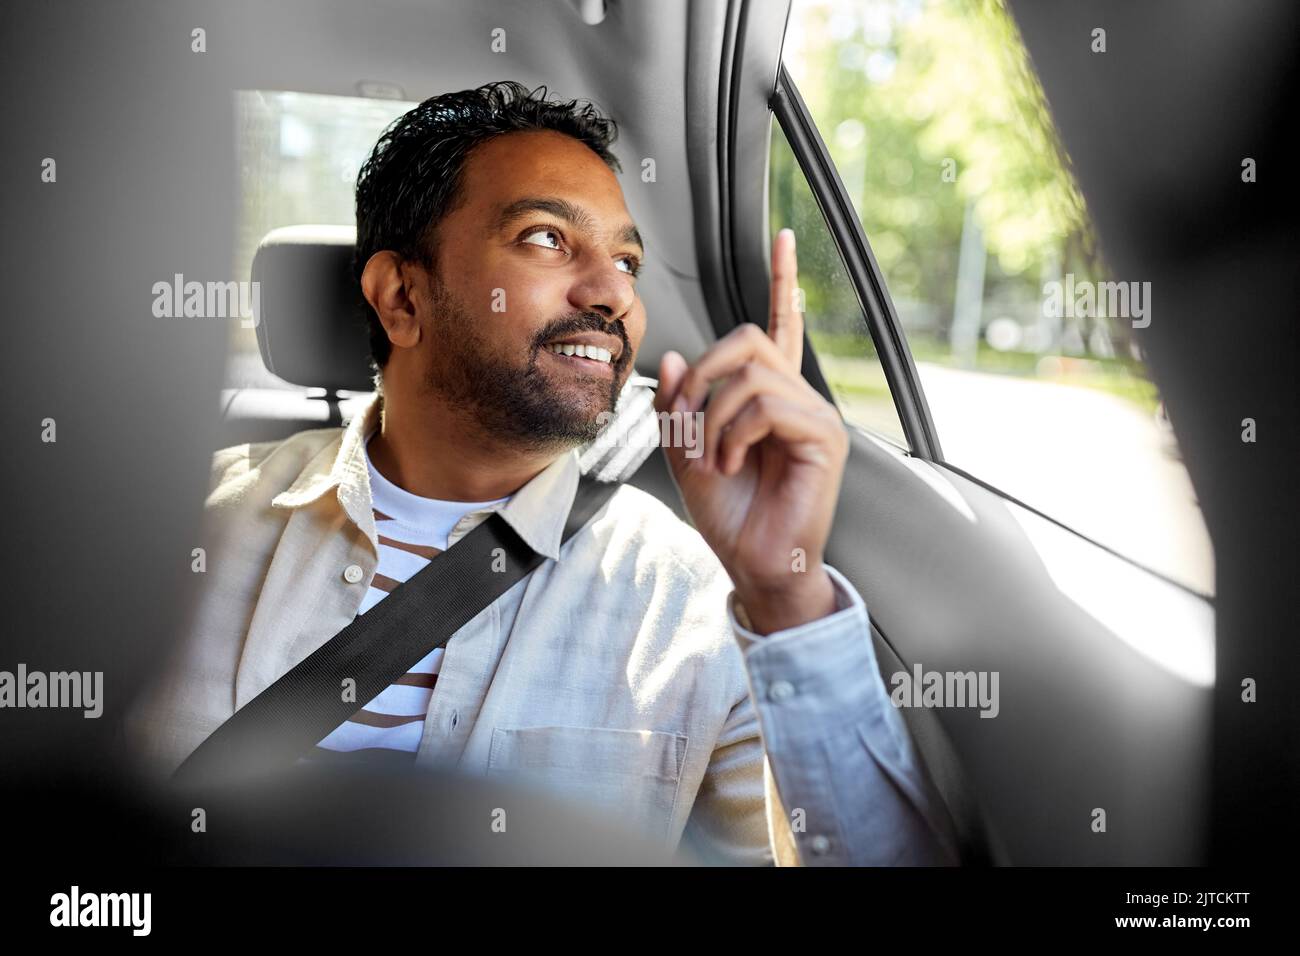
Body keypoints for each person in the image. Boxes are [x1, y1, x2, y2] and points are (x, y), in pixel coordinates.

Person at [126, 80, 959, 866]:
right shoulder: (178, 526)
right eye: (546, 239)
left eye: (627, 262)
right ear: (401, 299)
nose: (612, 294)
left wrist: (787, 596)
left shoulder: (696, 607)